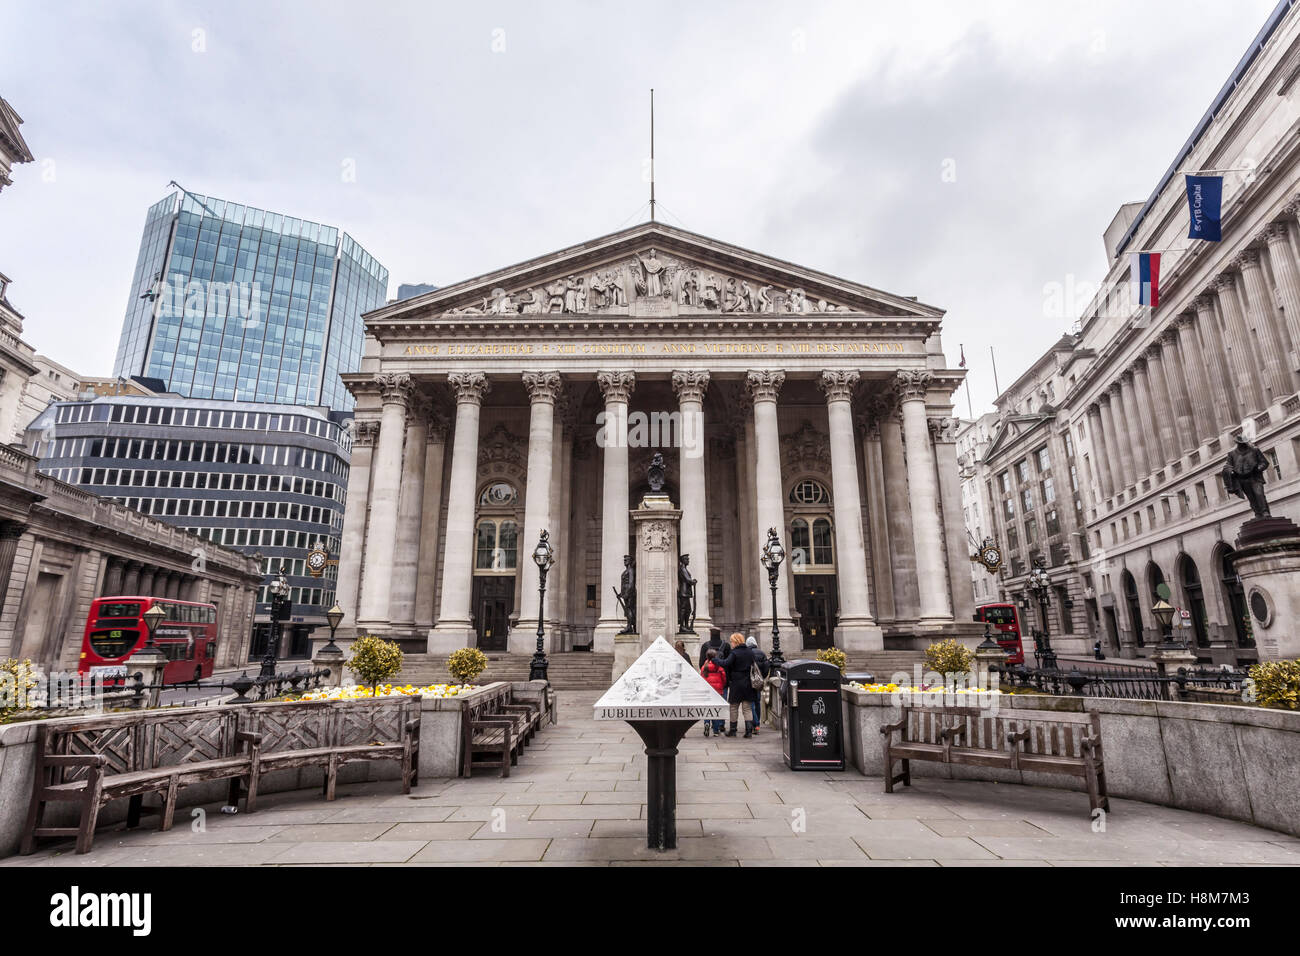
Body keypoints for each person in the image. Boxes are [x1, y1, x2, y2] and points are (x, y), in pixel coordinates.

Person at [722, 632, 758, 738]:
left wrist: (715, 659)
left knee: (734, 707)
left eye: (732, 641)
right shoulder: (750, 652)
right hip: (748, 682)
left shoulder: (734, 653)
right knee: (747, 708)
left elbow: (726, 663)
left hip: (736, 683)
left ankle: (733, 730)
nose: (731, 643)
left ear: (736, 642)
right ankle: (749, 731)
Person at [700, 648, 727, 737]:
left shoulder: (704, 667)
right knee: (715, 710)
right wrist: (721, 687)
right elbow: (724, 679)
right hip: (717, 691)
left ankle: (706, 723)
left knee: (708, 709)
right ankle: (715, 730)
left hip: (707, 692)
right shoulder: (719, 667)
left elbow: (702, 679)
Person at [745, 636, 768, 735]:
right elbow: (766, 667)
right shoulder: (762, 653)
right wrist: (762, 677)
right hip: (758, 682)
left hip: (749, 681)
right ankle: (757, 724)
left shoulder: (747, 653)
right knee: (757, 702)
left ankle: (756, 723)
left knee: (751, 704)